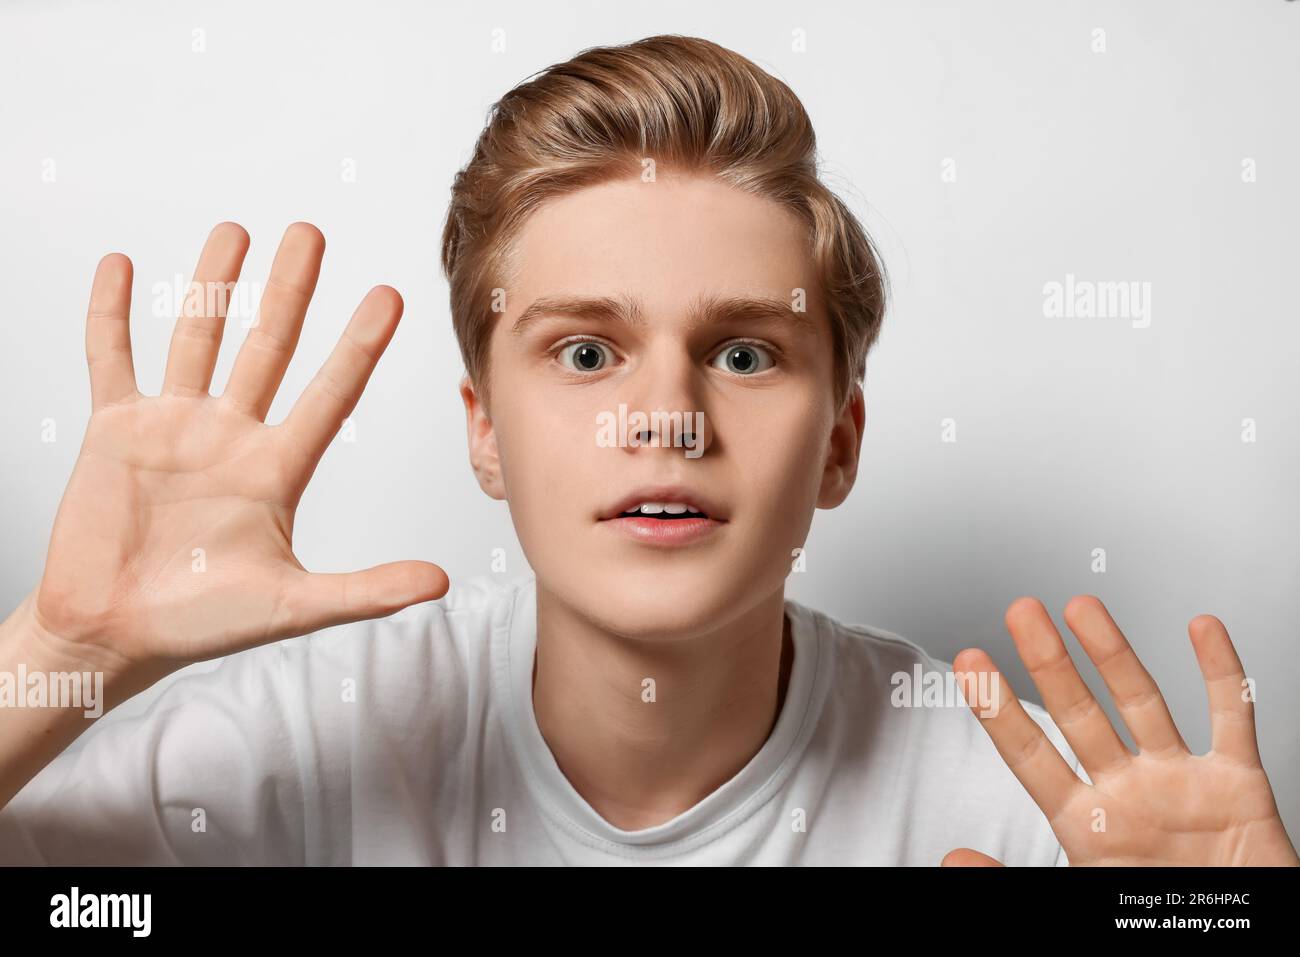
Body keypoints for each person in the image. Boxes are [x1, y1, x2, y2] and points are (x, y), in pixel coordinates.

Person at [0, 35, 1294, 866]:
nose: (665, 417)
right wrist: (62, 652)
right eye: (584, 353)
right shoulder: (304, 740)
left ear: (839, 445)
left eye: (745, 353)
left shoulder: (1034, 804)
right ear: (484, 431)